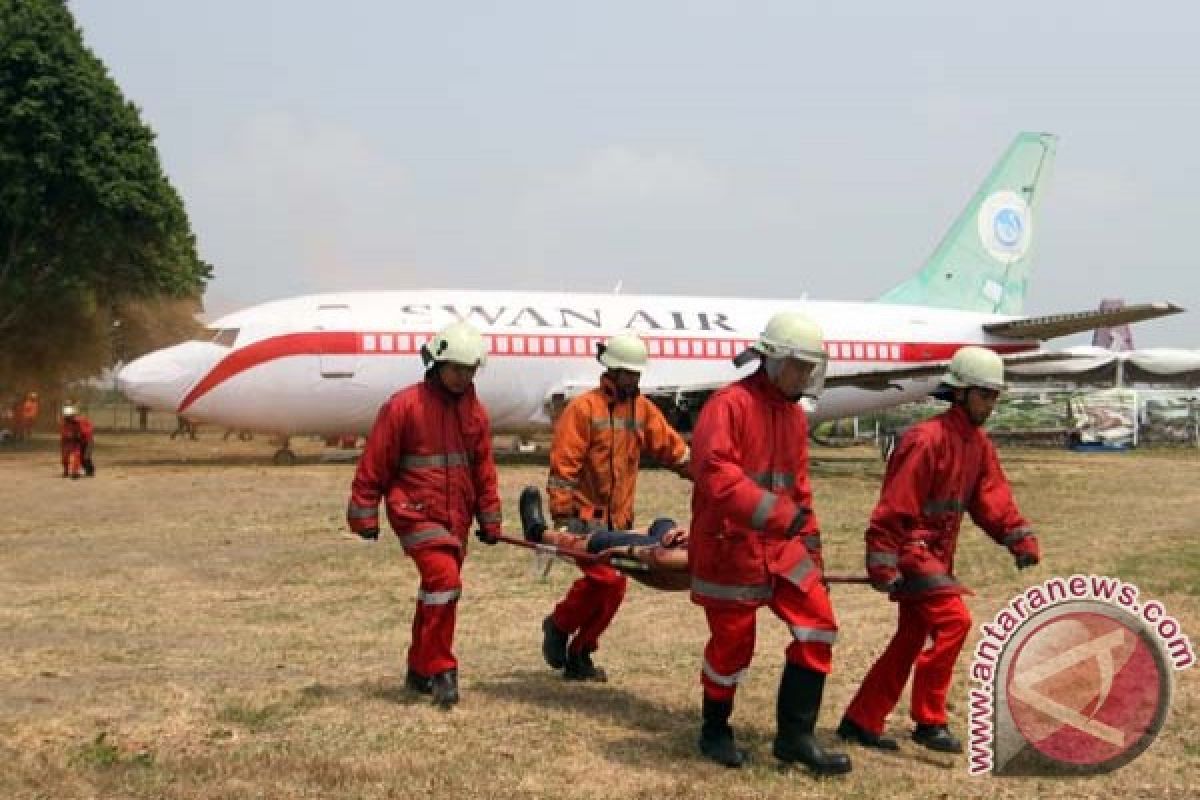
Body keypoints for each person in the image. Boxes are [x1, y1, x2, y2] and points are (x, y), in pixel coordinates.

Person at [838, 346, 1041, 754]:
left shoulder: (977, 444)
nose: (991, 404)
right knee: (954, 622)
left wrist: (1017, 538)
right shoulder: (924, 440)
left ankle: (861, 720)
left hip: (937, 553)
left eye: (995, 396)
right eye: (985, 394)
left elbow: (991, 498)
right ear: (960, 393)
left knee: (910, 638)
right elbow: (894, 506)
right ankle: (929, 721)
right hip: (912, 552)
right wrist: (883, 561)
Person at [688, 311, 851, 774]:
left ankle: (796, 739)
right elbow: (716, 476)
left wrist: (812, 552)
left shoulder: (794, 418)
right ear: (774, 361)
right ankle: (714, 730)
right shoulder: (729, 405)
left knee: (818, 624)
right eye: (800, 366)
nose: (806, 376)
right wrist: (781, 515)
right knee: (733, 645)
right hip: (730, 547)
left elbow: (799, 489)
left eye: (810, 368)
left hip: (782, 551)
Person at [345, 321, 501, 709]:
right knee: (444, 581)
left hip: (457, 517)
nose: (464, 377)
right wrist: (364, 514)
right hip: (414, 512)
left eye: (470, 370)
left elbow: (483, 468)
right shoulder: (403, 406)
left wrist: (490, 516)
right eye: (457, 369)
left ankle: (418, 668)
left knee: (437, 593)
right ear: (436, 362)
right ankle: (441, 669)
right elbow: (375, 462)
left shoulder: (475, 413)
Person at [539, 332, 690, 682]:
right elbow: (564, 468)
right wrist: (562, 519)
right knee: (609, 582)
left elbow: (672, 448)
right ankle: (562, 627)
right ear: (612, 370)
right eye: (628, 374)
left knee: (610, 586)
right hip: (583, 522)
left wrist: (708, 475)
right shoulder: (583, 409)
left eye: (637, 374)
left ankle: (577, 651)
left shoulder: (642, 410)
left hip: (619, 525)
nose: (634, 381)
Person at [60, 405, 95, 479]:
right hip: (78, 442)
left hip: (87, 441)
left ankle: (90, 470)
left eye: (69, 416)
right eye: (66, 416)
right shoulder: (65, 424)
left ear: (73, 415)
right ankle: (75, 472)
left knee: (86, 457)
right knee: (76, 457)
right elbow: (64, 435)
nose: (67, 418)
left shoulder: (80, 421)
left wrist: (82, 434)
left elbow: (89, 429)